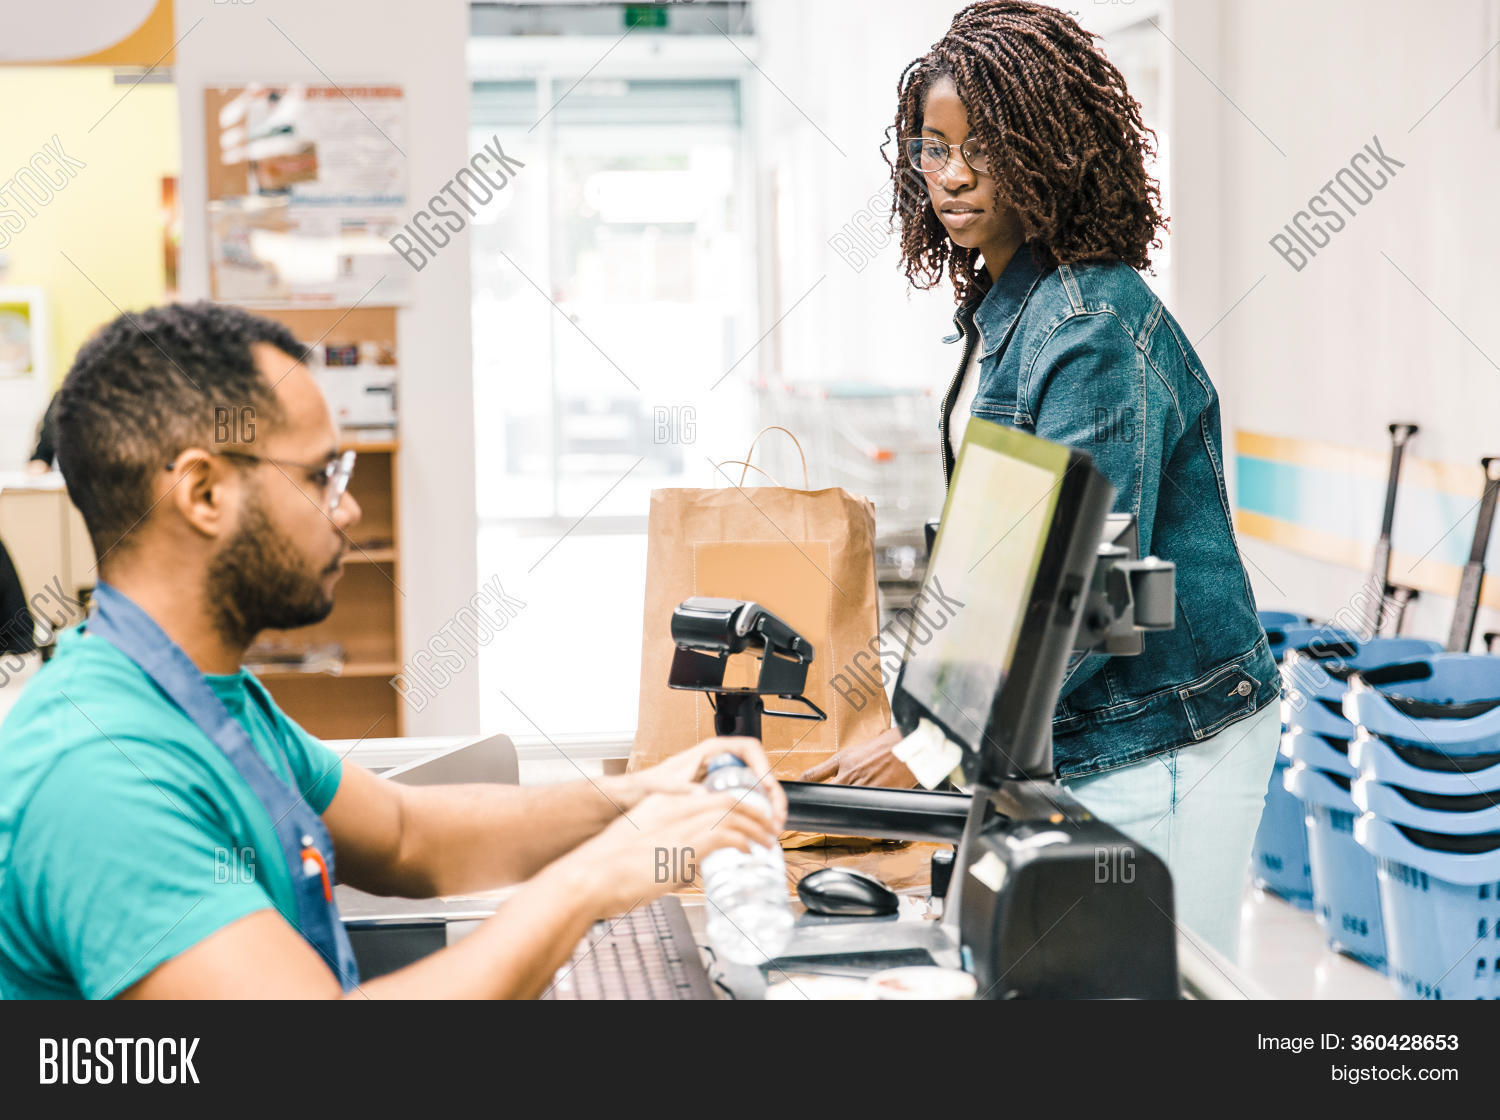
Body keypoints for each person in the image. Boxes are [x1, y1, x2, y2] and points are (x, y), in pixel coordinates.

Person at [0, 301, 785, 999]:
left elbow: (411, 837)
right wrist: (593, 881)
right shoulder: (99, 772)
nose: (348, 509)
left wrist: (639, 798)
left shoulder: (200, 697)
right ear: (204, 494)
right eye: (321, 475)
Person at [804, 1, 1281, 959]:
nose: (954, 173)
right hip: (1087, 721)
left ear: (1055, 150)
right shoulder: (1016, 312)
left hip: (1162, 730)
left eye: (984, 144)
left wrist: (932, 751)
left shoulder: (1090, 329)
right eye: (932, 148)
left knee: (1153, 994)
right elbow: (1001, 562)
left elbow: (1089, 594)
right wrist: (922, 723)